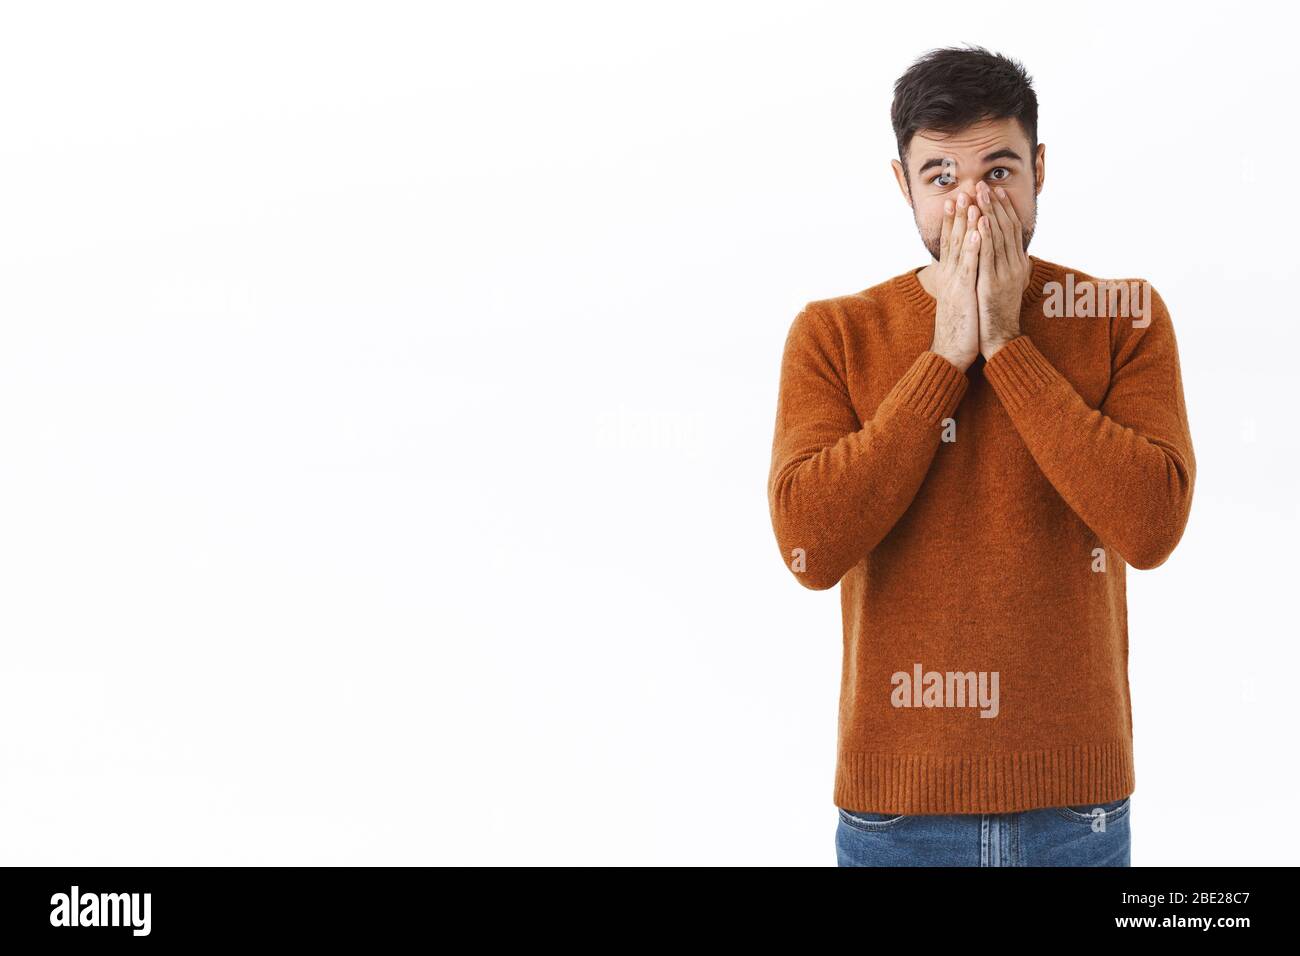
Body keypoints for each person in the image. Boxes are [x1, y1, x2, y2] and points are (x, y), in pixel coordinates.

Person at [766, 45, 1195, 866]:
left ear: (1039, 169)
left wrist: (1007, 346)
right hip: (896, 815)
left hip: (1078, 812)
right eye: (941, 178)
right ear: (903, 185)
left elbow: (1150, 529)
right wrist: (942, 362)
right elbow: (810, 546)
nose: (972, 204)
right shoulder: (833, 333)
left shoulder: (1122, 318)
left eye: (998, 172)